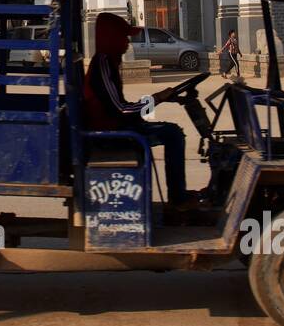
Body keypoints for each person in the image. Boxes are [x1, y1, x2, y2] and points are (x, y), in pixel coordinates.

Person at [82, 13, 201, 208]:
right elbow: (121, 110)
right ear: (112, 38)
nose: (128, 43)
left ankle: (178, 196)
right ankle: (178, 199)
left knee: (171, 131)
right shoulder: (102, 64)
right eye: (124, 37)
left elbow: (121, 106)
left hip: (117, 126)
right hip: (110, 133)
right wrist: (157, 98)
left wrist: (165, 98)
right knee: (173, 134)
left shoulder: (110, 62)